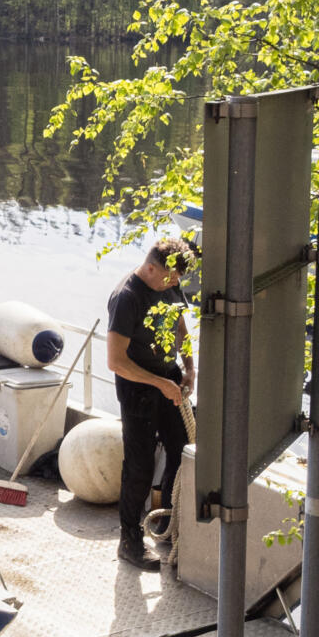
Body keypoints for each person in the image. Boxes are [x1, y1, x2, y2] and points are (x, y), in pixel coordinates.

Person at [105, 237, 195, 570]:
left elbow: (180, 325)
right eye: (170, 277)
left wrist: (190, 368)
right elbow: (115, 362)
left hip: (169, 379)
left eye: (178, 280)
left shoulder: (170, 283)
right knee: (139, 465)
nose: (175, 284)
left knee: (182, 451)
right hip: (137, 387)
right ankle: (129, 542)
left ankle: (165, 522)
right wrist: (160, 384)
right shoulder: (126, 297)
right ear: (151, 267)